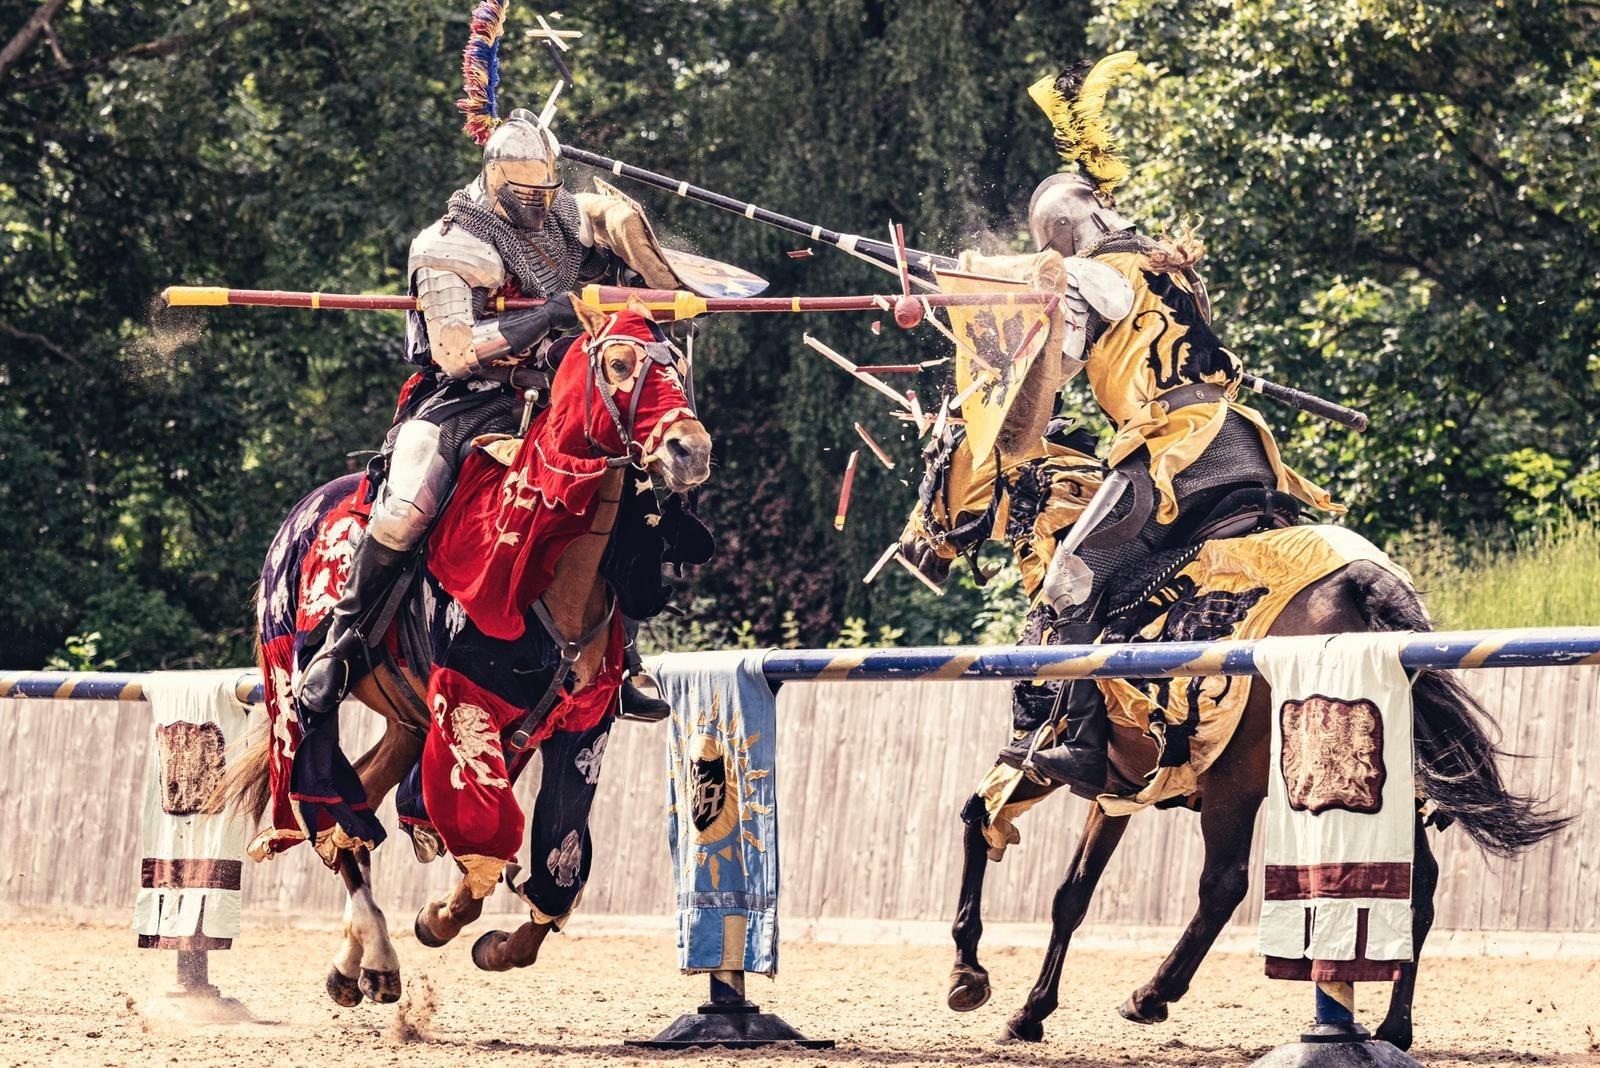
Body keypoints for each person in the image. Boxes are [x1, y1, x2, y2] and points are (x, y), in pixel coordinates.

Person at [998, 54, 1342, 796]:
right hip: (1243, 444)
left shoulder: (1089, 275)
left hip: (1173, 458)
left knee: (1067, 579)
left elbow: (1053, 373)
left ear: (1060, 235)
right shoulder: (1175, 272)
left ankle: (1082, 740)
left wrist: (1030, 313)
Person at [295, 108, 694, 723]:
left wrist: (631, 242)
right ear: (494, 181)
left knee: (628, 493)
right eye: (525, 194)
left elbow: (617, 245)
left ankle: (622, 657)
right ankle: (341, 644)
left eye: (546, 192)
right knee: (408, 505)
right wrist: (544, 316)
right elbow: (453, 351)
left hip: (560, 395)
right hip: (469, 397)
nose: (538, 205)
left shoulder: (566, 218)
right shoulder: (449, 244)